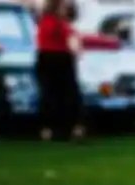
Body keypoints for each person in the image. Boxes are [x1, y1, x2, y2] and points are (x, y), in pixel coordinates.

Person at [36, 0, 83, 141]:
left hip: (55, 57)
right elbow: (68, 38)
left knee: (61, 94)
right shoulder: (53, 22)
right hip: (54, 57)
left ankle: (62, 128)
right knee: (54, 93)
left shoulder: (57, 22)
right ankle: (55, 128)